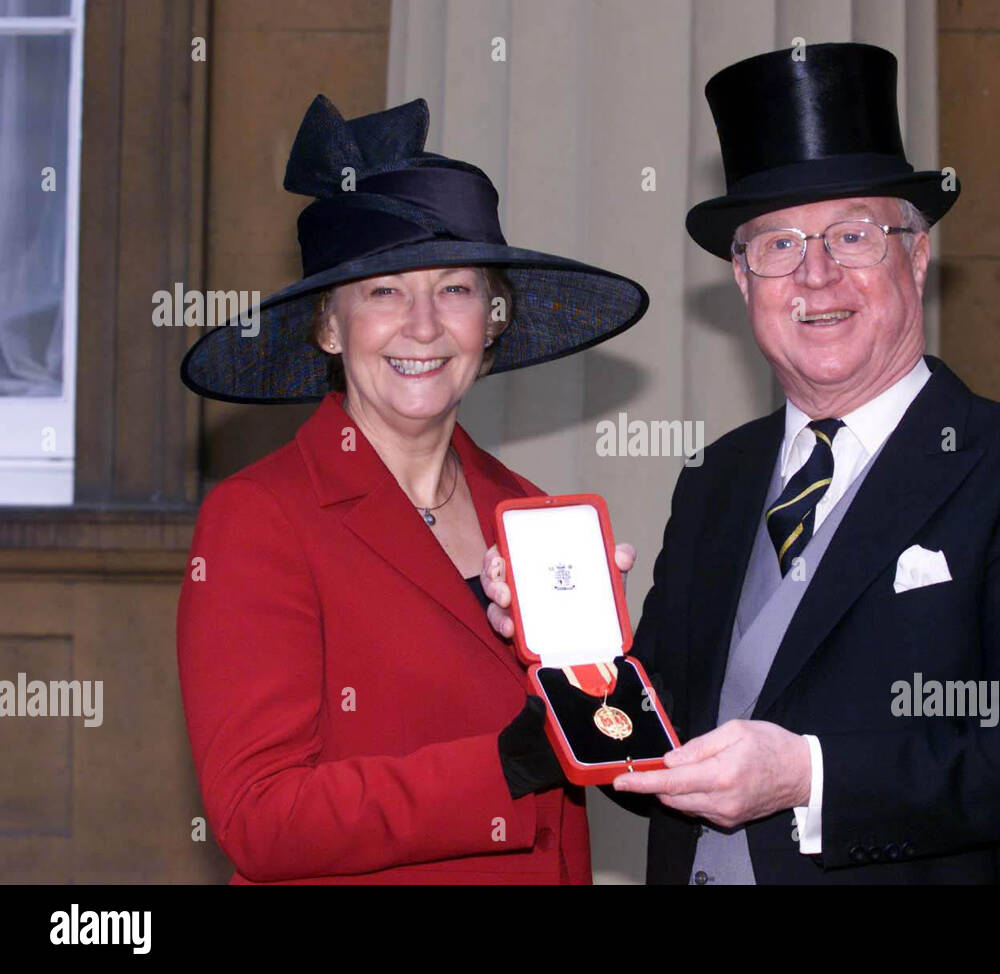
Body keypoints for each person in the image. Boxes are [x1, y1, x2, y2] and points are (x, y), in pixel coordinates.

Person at [483, 42, 1000, 884]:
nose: (816, 276)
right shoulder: (715, 477)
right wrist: (565, 648)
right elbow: (655, 749)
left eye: (853, 235)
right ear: (743, 280)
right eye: (779, 245)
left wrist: (809, 778)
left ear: (919, 254)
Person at [176, 94, 647, 884]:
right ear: (330, 326)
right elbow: (261, 818)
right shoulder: (260, 519)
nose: (423, 325)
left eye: (456, 289)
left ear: (492, 322)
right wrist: (503, 767)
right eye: (385, 291)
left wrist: (622, 692)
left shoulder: (528, 511)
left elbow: (574, 789)